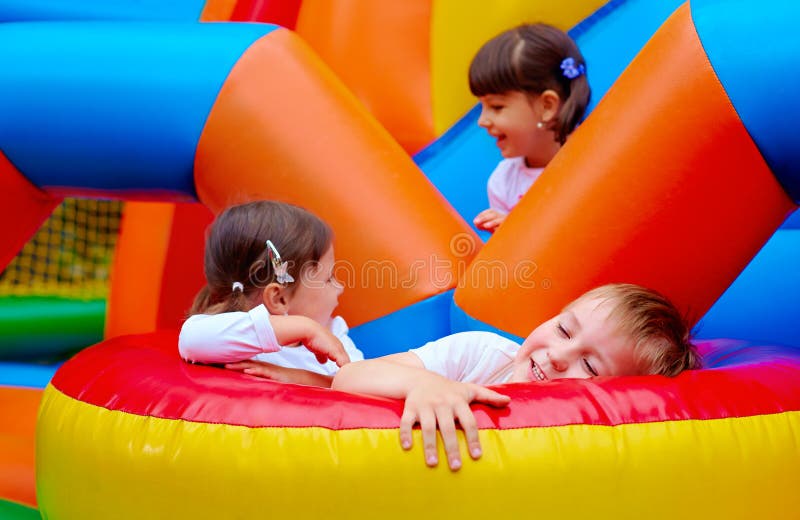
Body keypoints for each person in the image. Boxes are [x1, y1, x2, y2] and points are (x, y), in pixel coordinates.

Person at [331, 283, 700, 471]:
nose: (556, 356)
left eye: (589, 366)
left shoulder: (586, 438)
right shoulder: (484, 354)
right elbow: (348, 378)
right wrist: (424, 384)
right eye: (564, 331)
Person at [178, 201, 363, 387]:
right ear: (278, 298)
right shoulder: (242, 344)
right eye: (329, 278)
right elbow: (192, 339)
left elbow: (365, 384)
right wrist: (305, 328)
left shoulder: (334, 336)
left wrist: (299, 378)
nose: (340, 288)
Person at [470, 23, 591, 232]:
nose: (482, 121)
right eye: (482, 106)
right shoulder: (503, 183)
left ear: (547, 106)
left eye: (497, 107)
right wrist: (509, 234)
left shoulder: (596, 153)